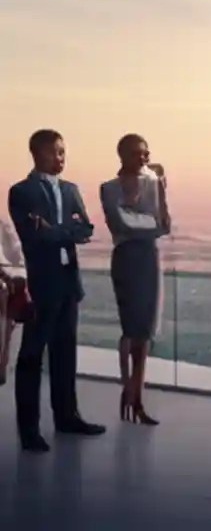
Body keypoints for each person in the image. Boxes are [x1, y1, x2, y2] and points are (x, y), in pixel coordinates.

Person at [8, 129, 105, 452]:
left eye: (63, 152)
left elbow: (86, 228)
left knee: (65, 355)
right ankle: (29, 429)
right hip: (40, 284)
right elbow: (34, 237)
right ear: (36, 153)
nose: (61, 158)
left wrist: (56, 230)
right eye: (54, 152)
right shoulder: (21, 192)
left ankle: (67, 417)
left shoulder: (71, 189)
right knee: (32, 357)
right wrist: (67, 232)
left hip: (68, 282)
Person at [100, 133, 171, 426]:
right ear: (122, 155)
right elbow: (120, 224)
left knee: (145, 330)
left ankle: (138, 396)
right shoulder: (109, 188)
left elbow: (163, 225)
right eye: (136, 153)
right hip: (126, 258)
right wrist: (145, 222)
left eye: (146, 152)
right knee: (131, 326)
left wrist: (162, 192)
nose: (143, 158)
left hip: (149, 258)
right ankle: (127, 387)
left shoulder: (153, 184)